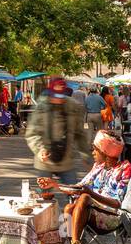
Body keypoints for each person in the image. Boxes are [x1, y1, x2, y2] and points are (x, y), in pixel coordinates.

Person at [40, 129, 131, 244]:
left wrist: (91, 195)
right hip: (90, 212)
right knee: (68, 208)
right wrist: (55, 185)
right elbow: (79, 187)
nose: (92, 153)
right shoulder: (98, 167)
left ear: (105, 152)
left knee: (84, 198)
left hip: (111, 217)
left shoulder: (125, 169)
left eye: (95, 149)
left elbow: (117, 203)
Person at [25, 76, 88, 205]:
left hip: (66, 160)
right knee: (44, 198)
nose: (57, 100)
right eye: (54, 96)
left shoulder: (73, 107)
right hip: (45, 160)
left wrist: (86, 155)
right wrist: (39, 149)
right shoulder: (41, 107)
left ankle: (71, 221)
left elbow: (79, 133)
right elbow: (32, 133)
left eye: (60, 97)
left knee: (73, 196)